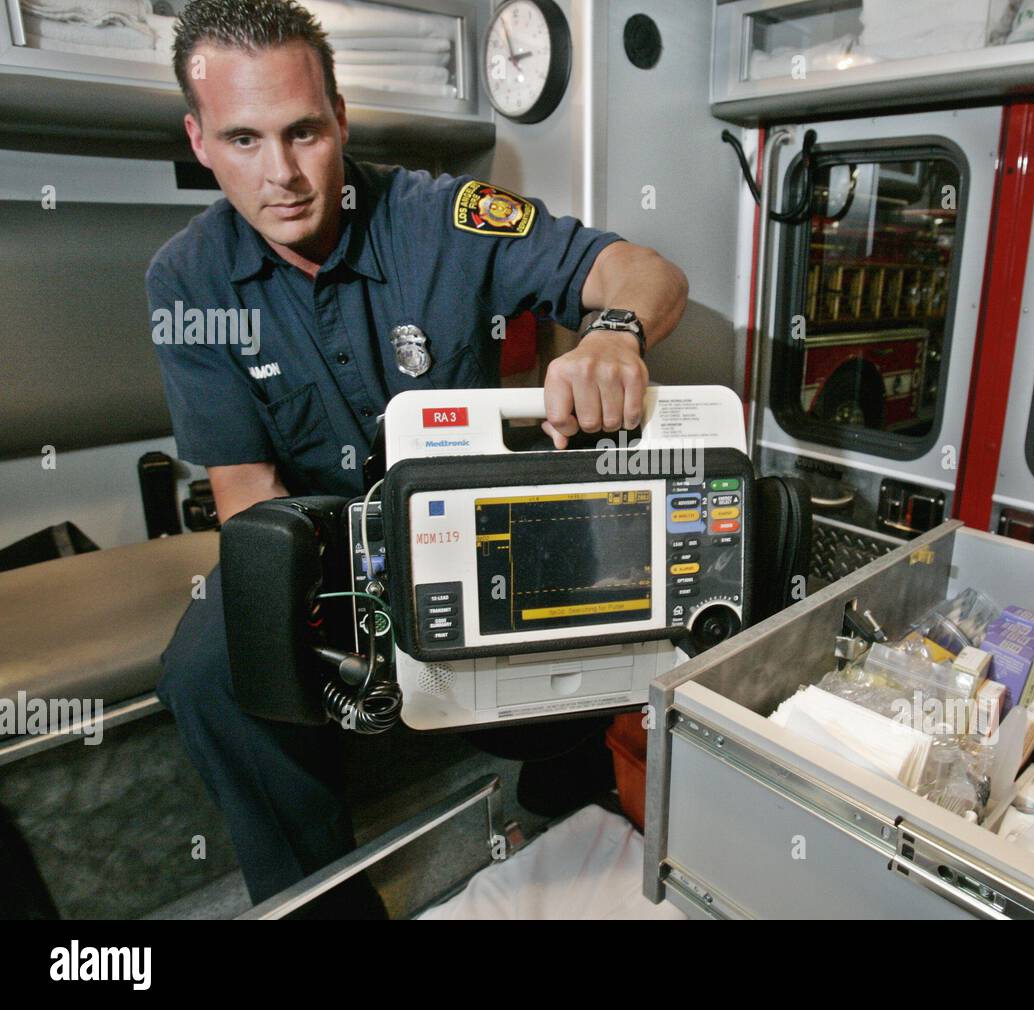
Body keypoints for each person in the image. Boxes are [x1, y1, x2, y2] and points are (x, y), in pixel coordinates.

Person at [147, 0, 688, 917]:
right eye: (243, 140)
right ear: (199, 141)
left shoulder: (444, 214)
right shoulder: (187, 280)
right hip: (318, 552)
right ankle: (324, 899)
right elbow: (249, 503)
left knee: (613, 575)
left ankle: (572, 805)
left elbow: (647, 273)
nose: (280, 175)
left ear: (341, 119)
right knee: (208, 669)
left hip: (479, 523)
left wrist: (613, 335)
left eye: (303, 132)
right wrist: (372, 606)